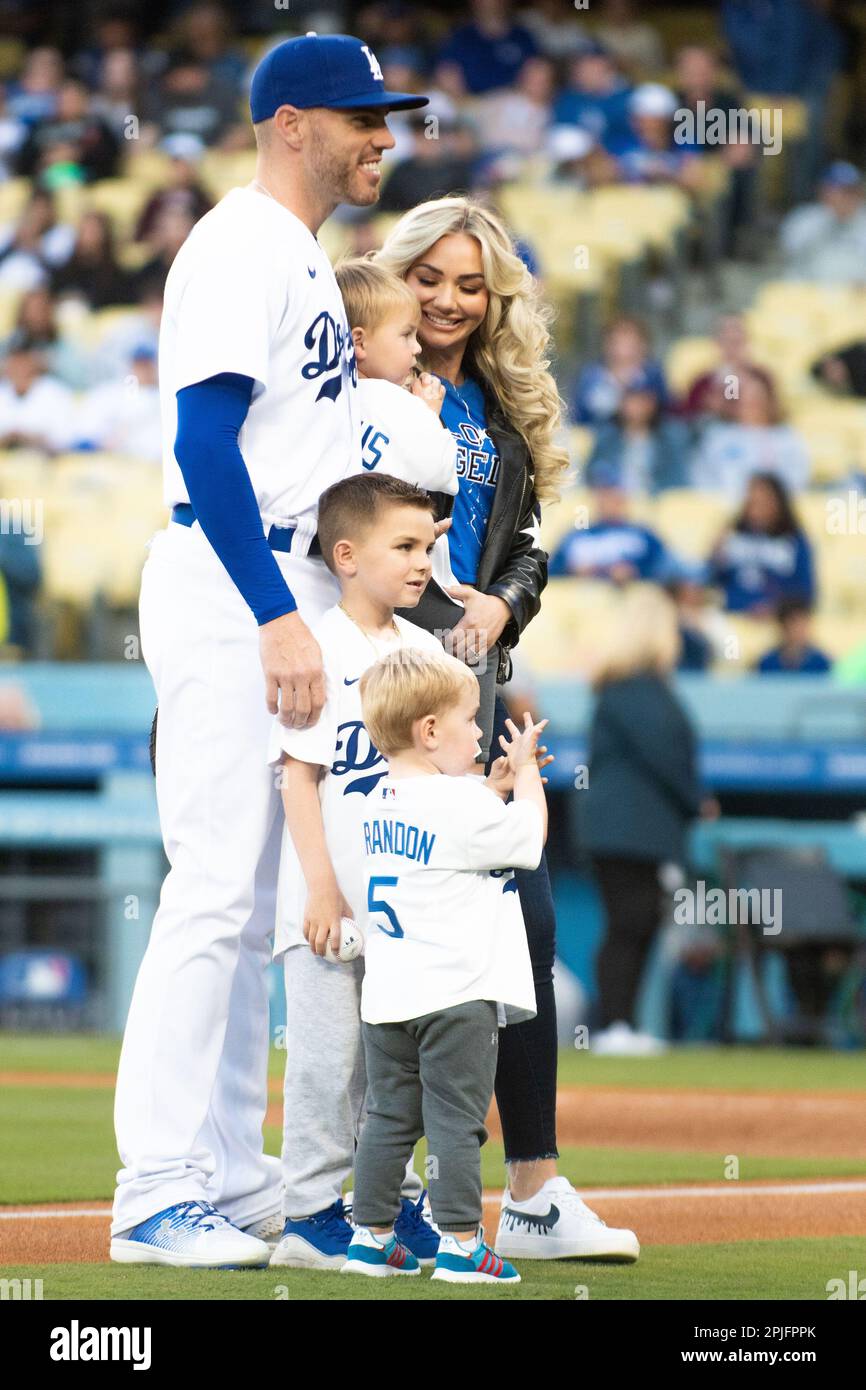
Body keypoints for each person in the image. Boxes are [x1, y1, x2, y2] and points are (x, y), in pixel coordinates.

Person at [110, 33, 428, 1270]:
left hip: (282, 571)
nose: (381, 138)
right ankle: (153, 1190)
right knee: (207, 886)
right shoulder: (240, 242)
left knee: (250, 904)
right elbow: (203, 444)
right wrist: (273, 611)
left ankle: (234, 1180)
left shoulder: (296, 253)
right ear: (289, 122)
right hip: (230, 574)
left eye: (386, 119)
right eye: (362, 118)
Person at [375, 196, 639, 1260]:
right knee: (380, 947)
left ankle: (531, 1186)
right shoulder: (365, 378)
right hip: (382, 690)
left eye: (468, 283)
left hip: (473, 696)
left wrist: (502, 604)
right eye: (428, 276)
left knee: (521, 924)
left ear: (495, 299)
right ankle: (351, 1193)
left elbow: (524, 541)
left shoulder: (498, 398)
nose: (444, 297)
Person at [267, 475, 447, 1269]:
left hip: (400, 898)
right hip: (327, 892)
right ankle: (308, 1213)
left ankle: (390, 1204)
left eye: (429, 546)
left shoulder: (426, 650)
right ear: (345, 556)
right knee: (324, 1058)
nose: (421, 562)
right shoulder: (317, 647)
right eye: (404, 547)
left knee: (391, 1065)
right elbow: (298, 775)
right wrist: (320, 888)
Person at [343, 649, 549, 1284]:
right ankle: (461, 1242)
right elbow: (529, 841)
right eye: (469, 718)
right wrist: (525, 777)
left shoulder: (372, 802)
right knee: (456, 1123)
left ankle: (370, 1236)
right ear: (429, 731)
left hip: (387, 996)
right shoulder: (465, 806)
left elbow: (442, 826)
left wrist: (489, 787)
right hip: (456, 998)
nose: (483, 730)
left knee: (387, 1118)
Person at [581, 585, 703, 1055]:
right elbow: (669, 758)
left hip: (625, 832)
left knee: (634, 924)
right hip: (627, 832)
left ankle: (620, 1024)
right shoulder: (637, 689)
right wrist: (697, 800)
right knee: (629, 924)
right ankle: (614, 1025)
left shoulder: (625, 687)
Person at [707, 473, 815, 615]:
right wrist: (715, 557)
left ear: (778, 503)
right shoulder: (732, 537)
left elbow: (805, 592)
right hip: (732, 616)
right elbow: (712, 583)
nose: (756, 510)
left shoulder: (795, 541)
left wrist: (776, 609)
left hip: (778, 621)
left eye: (763, 503)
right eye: (752, 502)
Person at [692, 371, 810, 500]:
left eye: (757, 400)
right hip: (726, 507)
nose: (751, 405)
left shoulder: (787, 437)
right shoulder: (718, 438)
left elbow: (797, 478)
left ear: (769, 402)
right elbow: (703, 478)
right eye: (746, 400)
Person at [549, 465, 675, 583]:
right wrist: (570, 570)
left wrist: (635, 571)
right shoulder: (577, 536)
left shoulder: (642, 534)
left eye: (615, 495)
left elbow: (665, 568)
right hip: (583, 599)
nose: (609, 501)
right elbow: (550, 571)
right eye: (604, 495)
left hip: (630, 600)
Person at [585, 381, 689, 494]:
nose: (636, 408)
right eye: (632, 400)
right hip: (613, 502)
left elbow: (677, 481)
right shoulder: (607, 438)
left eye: (643, 401)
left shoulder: (669, 439)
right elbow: (593, 474)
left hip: (654, 503)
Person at [571, 315, 668, 426]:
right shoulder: (591, 375)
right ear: (607, 345)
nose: (623, 351)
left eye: (630, 344)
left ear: (643, 346)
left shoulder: (652, 374)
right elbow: (580, 412)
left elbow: (665, 408)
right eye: (618, 343)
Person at [780, 163, 866, 285]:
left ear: (859, 193)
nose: (841, 198)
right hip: (810, 292)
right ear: (822, 191)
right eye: (835, 191)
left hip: (856, 295)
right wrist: (830, 217)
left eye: (848, 192)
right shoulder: (803, 219)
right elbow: (791, 251)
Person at [680, 315, 775, 422]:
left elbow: (774, 413)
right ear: (717, 343)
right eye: (727, 341)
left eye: (736, 341)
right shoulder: (703, 384)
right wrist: (709, 408)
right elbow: (686, 416)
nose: (732, 349)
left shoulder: (761, 379)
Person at [756, 598, 831, 673]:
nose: (800, 629)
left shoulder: (820, 662)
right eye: (794, 624)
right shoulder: (767, 663)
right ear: (783, 626)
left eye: (804, 623)